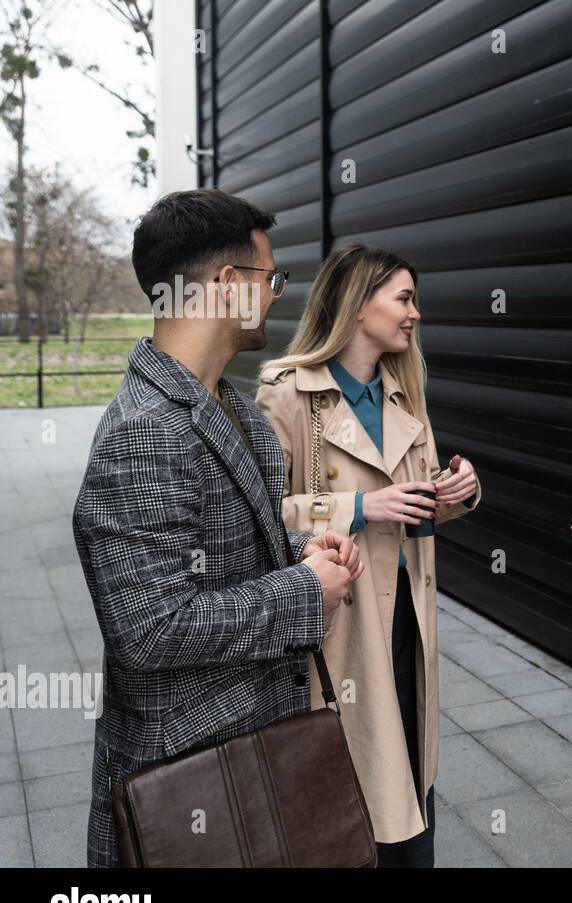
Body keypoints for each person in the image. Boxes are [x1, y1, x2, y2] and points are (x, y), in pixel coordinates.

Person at [73, 188, 361, 868]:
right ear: (229, 286)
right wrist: (302, 591)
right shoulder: (144, 432)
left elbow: (215, 555)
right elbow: (150, 626)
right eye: (270, 279)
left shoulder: (231, 408)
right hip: (185, 788)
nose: (276, 296)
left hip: (251, 757)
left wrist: (299, 554)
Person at [255, 242, 482, 867]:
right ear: (358, 305)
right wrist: (360, 509)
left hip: (407, 613)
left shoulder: (406, 392)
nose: (415, 314)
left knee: (409, 760)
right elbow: (261, 514)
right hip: (340, 620)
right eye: (404, 298)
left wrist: (458, 490)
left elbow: (421, 493)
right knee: (349, 775)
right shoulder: (288, 392)